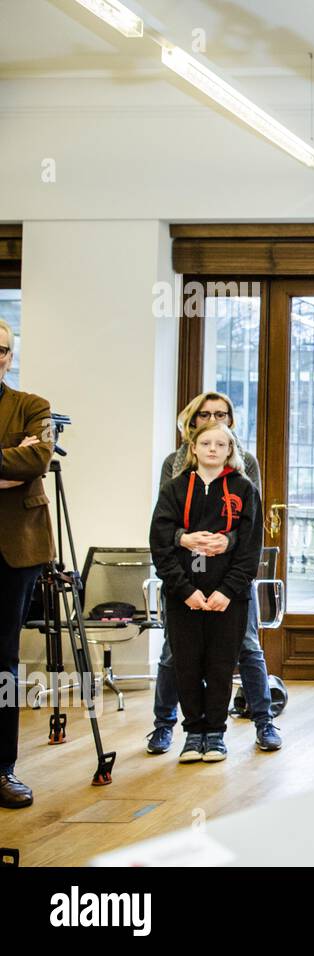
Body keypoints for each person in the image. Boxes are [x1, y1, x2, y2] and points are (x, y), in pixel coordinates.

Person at [146, 391, 282, 754]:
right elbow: (164, 527)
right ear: (191, 429)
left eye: (220, 415)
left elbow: (248, 524)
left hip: (230, 579)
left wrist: (226, 541)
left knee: (245, 648)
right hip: (185, 578)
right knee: (176, 654)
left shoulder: (244, 466)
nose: (212, 421)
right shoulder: (174, 469)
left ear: (230, 433)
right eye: (204, 417)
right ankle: (166, 726)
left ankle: (263, 721)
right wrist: (185, 540)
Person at [0, 318, 54, 809]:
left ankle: (3, 769)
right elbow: (14, 463)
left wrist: (22, 458)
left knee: (4, 663)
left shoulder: (32, 406)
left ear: (9, 357)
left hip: (13, 551)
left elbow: (36, 461)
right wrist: (6, 460)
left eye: (1, 350)